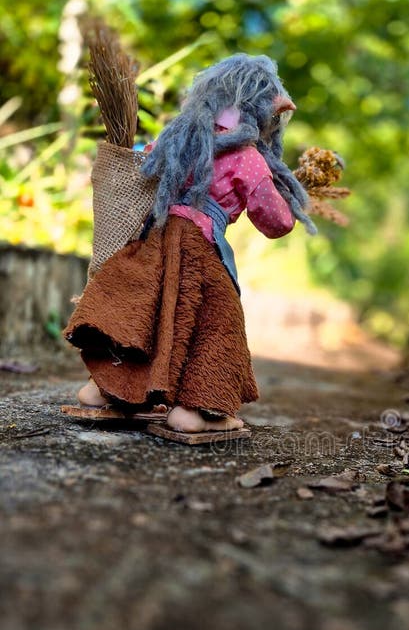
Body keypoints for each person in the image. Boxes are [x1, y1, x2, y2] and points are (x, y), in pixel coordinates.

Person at [63, 53, 315, 436]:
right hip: (199, 246)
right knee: (217, 322)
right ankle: (200, 408)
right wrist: (290, 198)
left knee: (144, 310)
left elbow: (145, 166)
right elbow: (276, 223)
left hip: (155, 240)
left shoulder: (178, 137)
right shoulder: (248, 160)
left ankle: (108, 389)